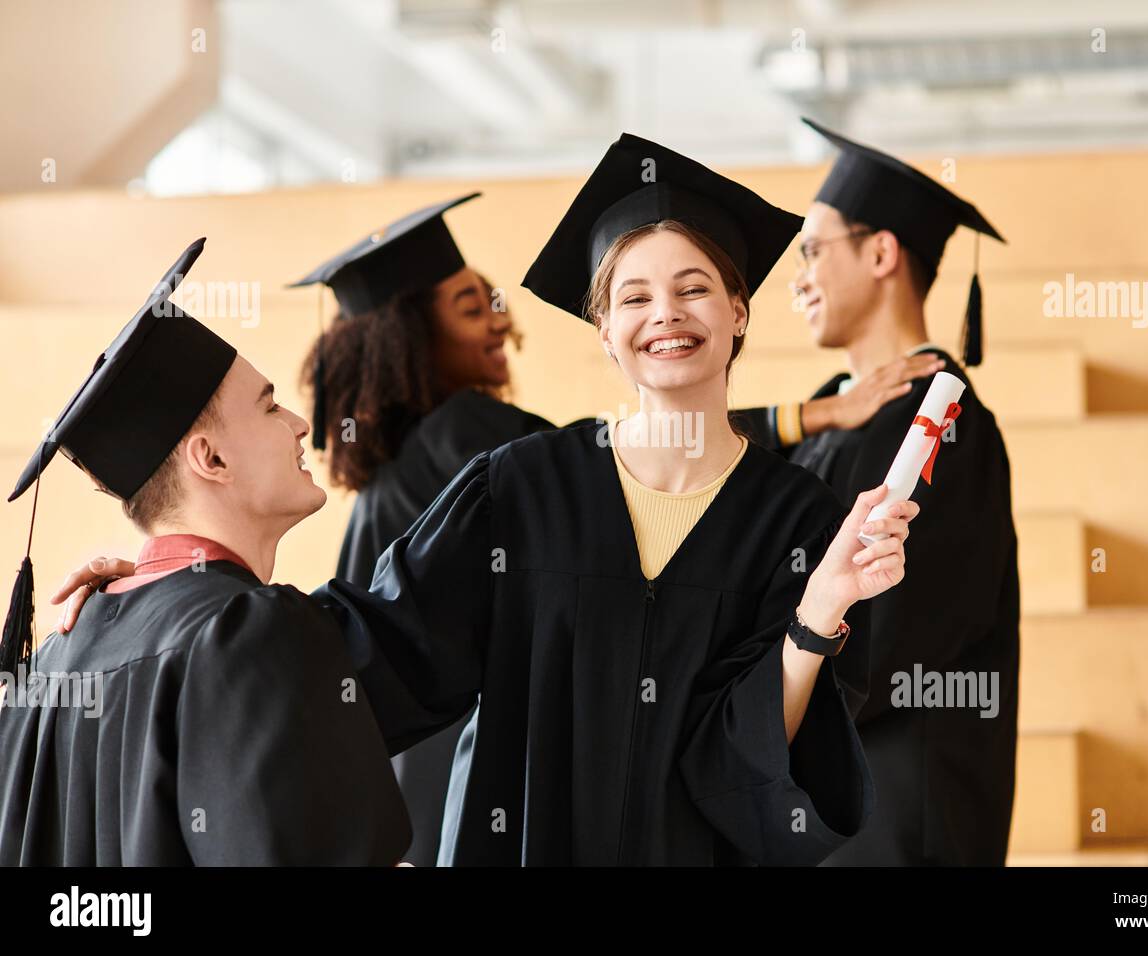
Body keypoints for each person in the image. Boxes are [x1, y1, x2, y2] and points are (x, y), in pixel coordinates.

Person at [54, 136, 921, 866]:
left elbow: (752, 761)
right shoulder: (521, 487)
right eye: (633, 296)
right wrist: (175, 601)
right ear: (603, 329)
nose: (668, 314)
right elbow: (374, 645)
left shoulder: (801, 520)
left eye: (695, 288)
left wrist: (818, 616)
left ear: (737, 311)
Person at [0, 239, 410, 865]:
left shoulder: (53, 662)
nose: (301, 423)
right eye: (270, 405)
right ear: (211, 459)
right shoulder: (250, 631)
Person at [733, 118, 1020, 866]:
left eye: (811, 251)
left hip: (892, 812)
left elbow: (895, 637)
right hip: (822, 799)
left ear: (883, 252)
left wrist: (760, 717)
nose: (795, 277)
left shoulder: (945, 430)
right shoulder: (832, 413)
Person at [291, 197, 553, 864]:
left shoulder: (392, 475)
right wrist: (792, 422)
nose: (500, 320)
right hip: (476, 757)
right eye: (472, 308)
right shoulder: (460, 429)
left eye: (491, 300)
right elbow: (610, 469)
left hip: (415, 781)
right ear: (412, 336)